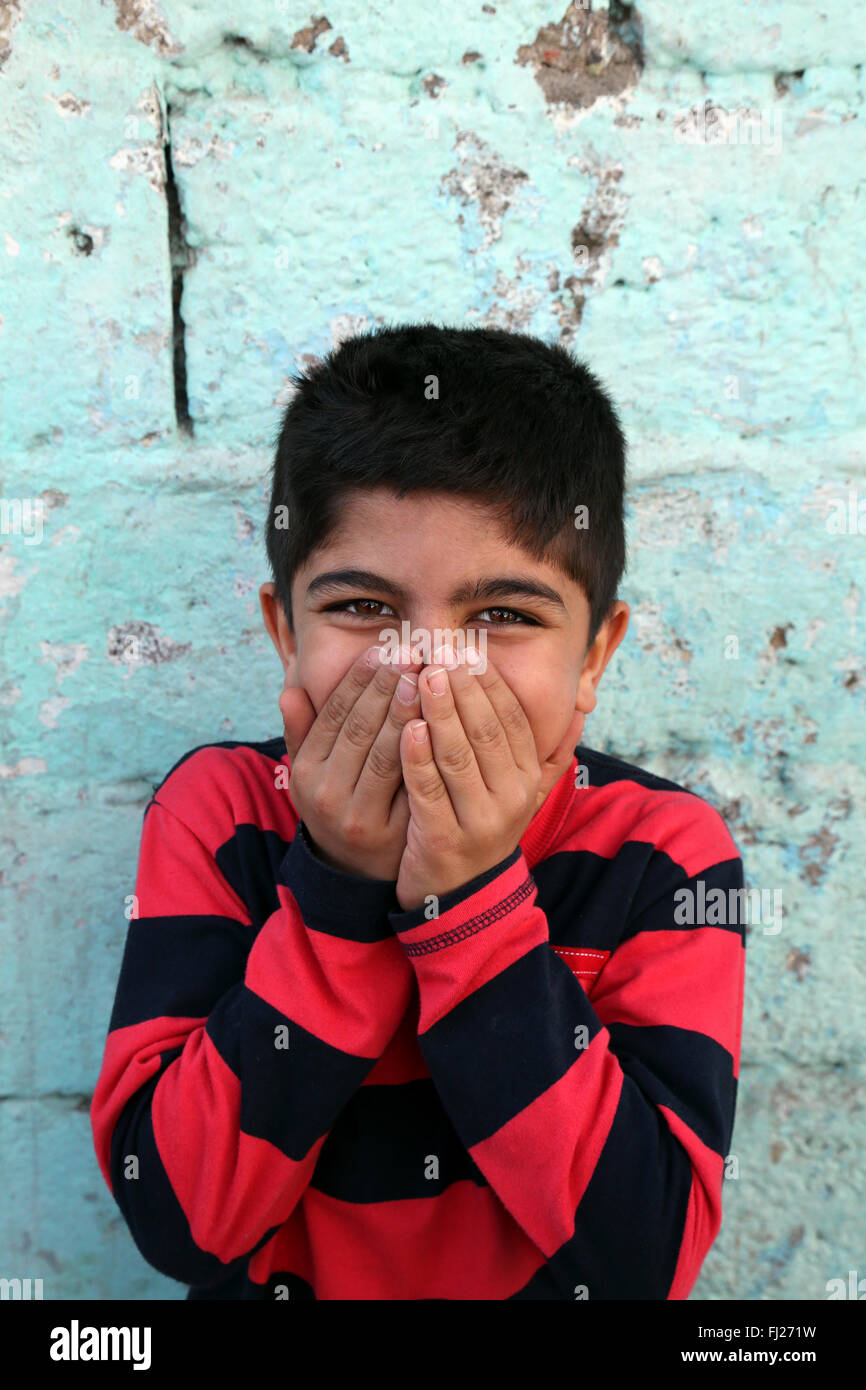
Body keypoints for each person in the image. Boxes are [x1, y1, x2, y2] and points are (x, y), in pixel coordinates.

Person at [91, 322, 745, 1299]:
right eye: (362, 607)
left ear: (594, 656)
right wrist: (336, 887)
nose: (426, 669)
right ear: (285, 631)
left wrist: (470, 901)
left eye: (503, 616)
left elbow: (635, 1260)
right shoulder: (222, 815)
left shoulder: (659, 856)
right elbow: (182, 1222)